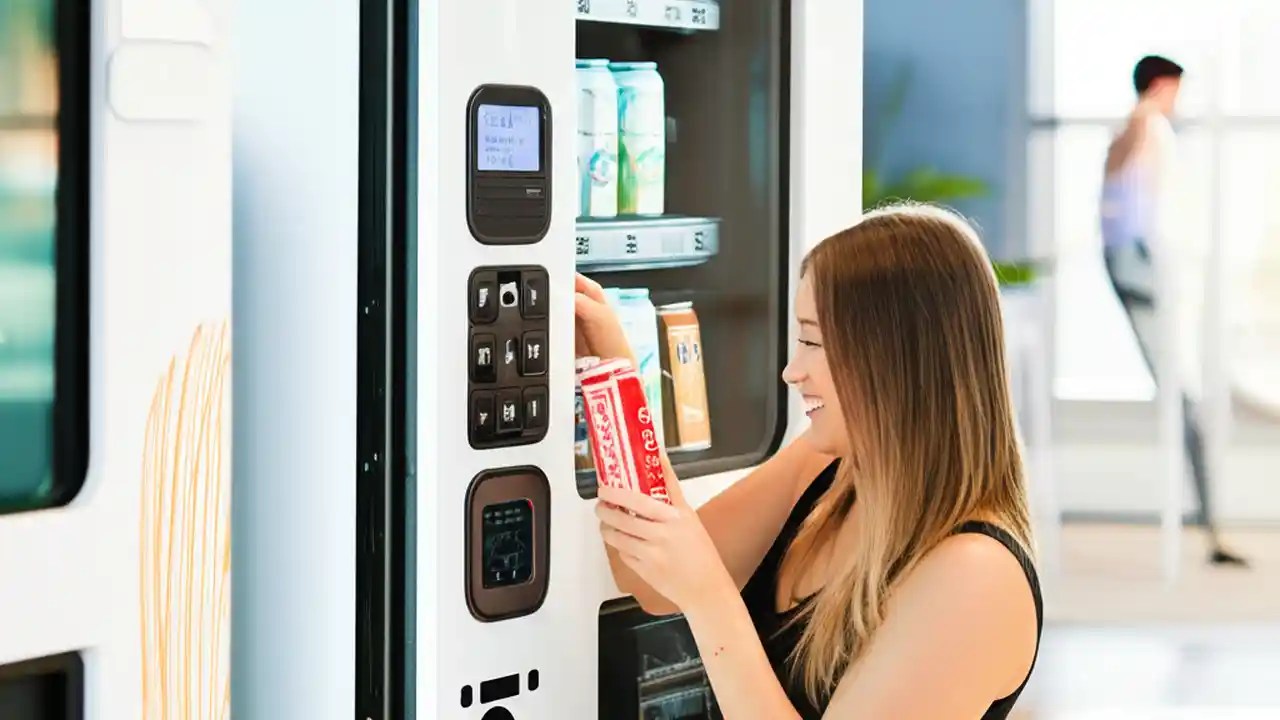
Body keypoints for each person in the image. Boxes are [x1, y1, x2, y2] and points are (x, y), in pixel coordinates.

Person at [575, 204, 1042, 719]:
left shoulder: (974, 576)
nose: (791, 372)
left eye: (814, 342)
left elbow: (692, 582)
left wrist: (708, 596)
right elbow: (651, 581)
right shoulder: (829, 470)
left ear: (896, 362)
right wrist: (613, 369)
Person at [1100, 54, 1247, 566]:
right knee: (1187, 405)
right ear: (1163, 85)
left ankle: (1212, 526)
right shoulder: (1149, 127)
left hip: (1141, 271)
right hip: (1148, 273)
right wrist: (1153, 264)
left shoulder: (1127, 130)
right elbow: (1133, 209)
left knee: (1189, 404)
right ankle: (1212, 528)